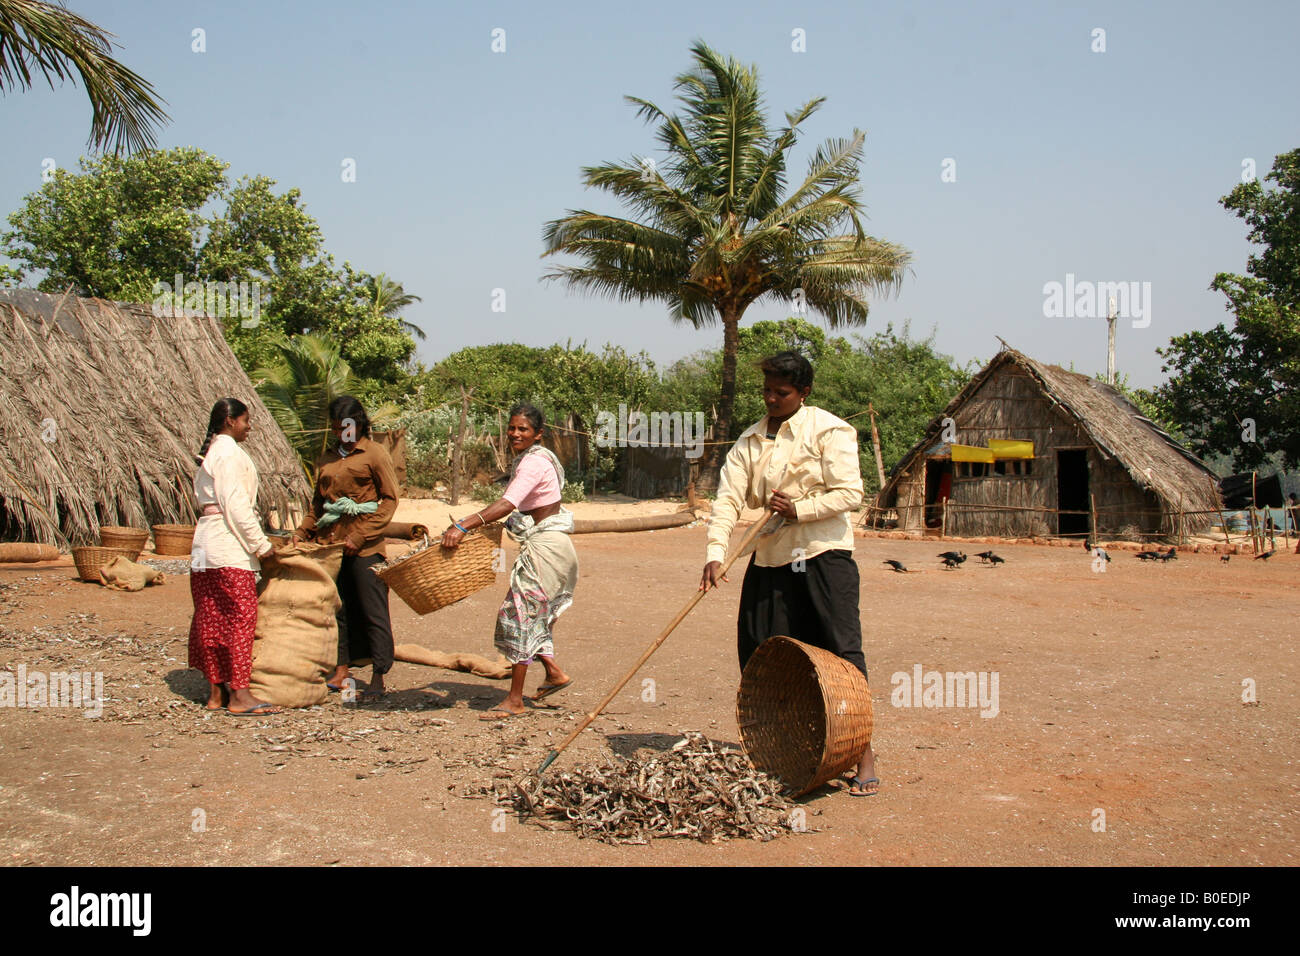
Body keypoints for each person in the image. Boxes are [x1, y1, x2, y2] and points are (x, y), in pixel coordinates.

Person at [699, 351, 880, 796]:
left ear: (804, 393)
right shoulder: (748, 440)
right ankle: (788, 750)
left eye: (782, 392)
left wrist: (800, 509)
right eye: (767, 391)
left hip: (823, 555)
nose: (772, 399)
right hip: (769, 559)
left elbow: (851, 494)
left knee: (840, 650)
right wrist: (716, 553)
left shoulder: (831, 430)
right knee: (761, 653)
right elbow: (727, 501)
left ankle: (862, 754)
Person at [441, 403, 577, 720]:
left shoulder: (533, 463)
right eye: (512, 428)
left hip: (545, 550)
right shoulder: (539, 459)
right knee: (534, 615)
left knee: (521, 616)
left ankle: (514, 700)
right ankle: (554, 673)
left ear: (538, 434)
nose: (515, 433)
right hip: (554, 546)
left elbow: (506, 503)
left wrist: (462, 525)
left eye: (523, 429)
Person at [293, 396, 400, 700]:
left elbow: (390, 500)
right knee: (337, 608)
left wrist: (362, 535)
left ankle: (379, 673)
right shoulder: (325, 458)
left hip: (365, 546)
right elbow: (318, 503)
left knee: (372, 608)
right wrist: (303, 531)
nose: (344, 434)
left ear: (361, 424)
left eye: (349, 427)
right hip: (330, 544)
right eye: (338, 428)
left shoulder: (375, 454)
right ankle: (342, 669)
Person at [189, 397, 282, 716]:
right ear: (230, 422)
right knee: (241, 617)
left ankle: (216, 692)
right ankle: (240, 694)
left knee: (210, 617)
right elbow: (236, 506)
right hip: (226, 547)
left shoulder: (211, 453)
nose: (249, 426)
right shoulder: (228, 454)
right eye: (246, 420)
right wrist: (261, 546)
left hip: (204, 548)